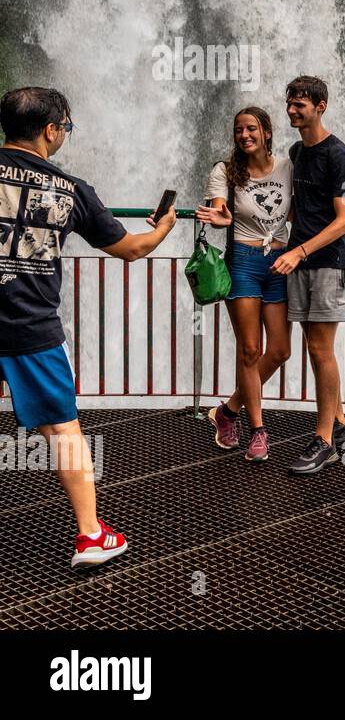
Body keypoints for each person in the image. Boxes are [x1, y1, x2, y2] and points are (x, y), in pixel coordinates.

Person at [0, 87, 176, 567]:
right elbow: (131, 248)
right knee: (63, 428)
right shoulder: (70, 189)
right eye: (65, 128)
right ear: (51, 130)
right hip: (30, 327)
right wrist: (164, 227)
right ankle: (91, 535)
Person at [272, 76, 345, 475]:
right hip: (301, 259)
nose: (292, 110)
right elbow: (295, 209)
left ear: (321, 106)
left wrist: (300, 250)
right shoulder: (296, 151)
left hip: (330, 262)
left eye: (301, 105)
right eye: (290, 103)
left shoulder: (339, 156)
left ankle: (323, 440)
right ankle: (339, 423)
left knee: (322, 350)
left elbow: (344, 221)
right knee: (313, 346)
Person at [198, 107, 293, 462]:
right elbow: (220, 209)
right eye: (239, 129)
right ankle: (257, 430)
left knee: (281, 350)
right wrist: (221, 217)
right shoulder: (225, 171)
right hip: (244, 262)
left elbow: (297, 212)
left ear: (267, 132)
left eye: (252, 128)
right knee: (250, 349)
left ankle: (228, 410)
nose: (245, 135)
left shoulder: (287, 167)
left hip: (280, 262)